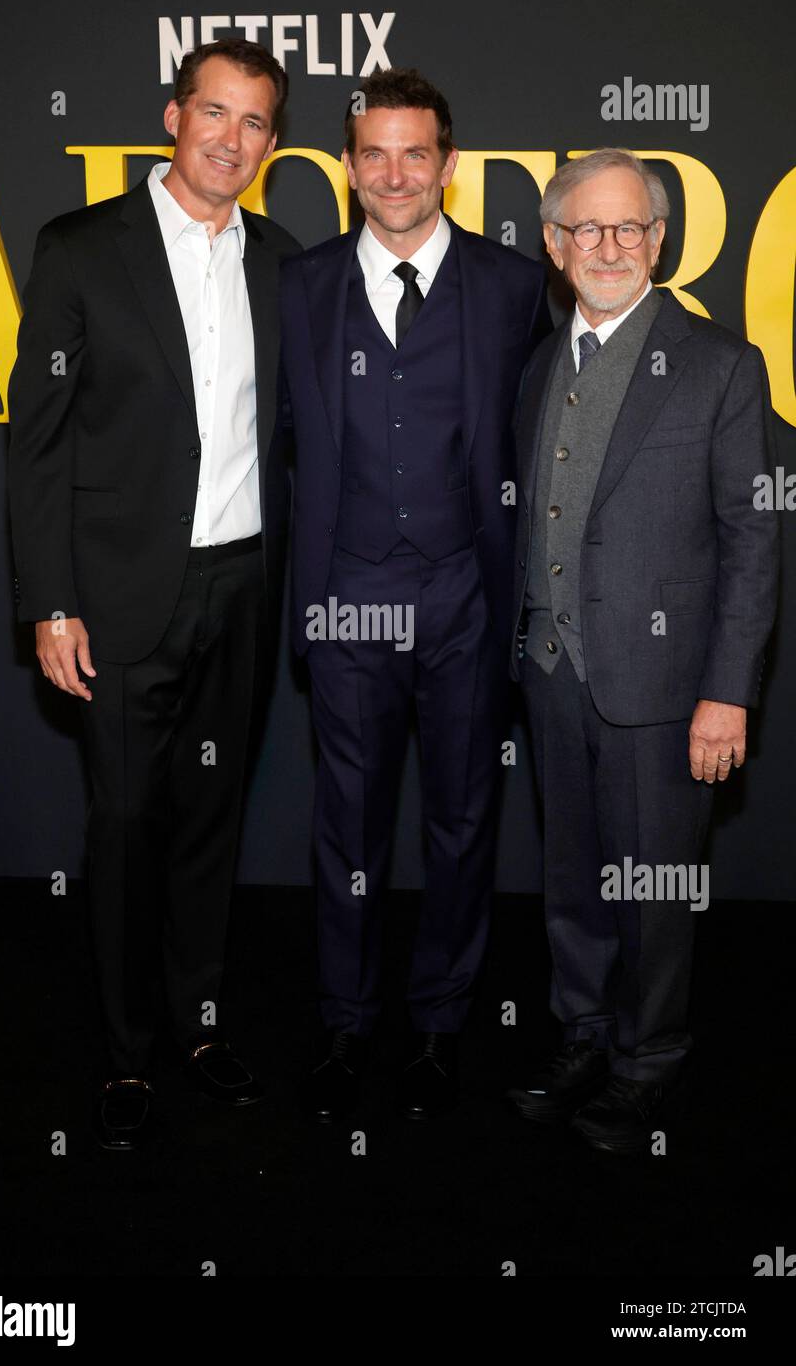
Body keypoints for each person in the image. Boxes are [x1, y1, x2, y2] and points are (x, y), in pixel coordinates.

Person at [7, 39, 300, 1150]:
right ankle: (126, 1056)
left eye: (256, 123)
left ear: (273, 143)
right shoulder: (81, 249)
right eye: (214, 113)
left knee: (210, 828)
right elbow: (35, 449)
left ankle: (199, 1025)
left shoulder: (279, 259)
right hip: (120, 599)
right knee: (126, 824)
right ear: (174, 116)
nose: (232, 139)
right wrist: (50, 601)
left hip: (241, 587)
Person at [279, 67, 551, 1123]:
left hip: (465, 599)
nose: (395, 173)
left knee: (460, 819)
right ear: (348, 167)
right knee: (345, 825)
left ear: (446, 163)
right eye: (373, 153)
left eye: (415, 152)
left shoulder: (512, 284)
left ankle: (439, 1023)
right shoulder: (298, 287)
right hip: (346, 597)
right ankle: (344, 1023)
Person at [506, 148, 779, 1153]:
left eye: (628, 229)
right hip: (549, 671)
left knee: (654, 885)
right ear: (552, 243)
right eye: (586, 228)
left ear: (658, 243)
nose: (607, 246)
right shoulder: (539, 363)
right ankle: (580, 1033)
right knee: (572, 879)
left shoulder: (718, 365)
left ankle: (645, 1060)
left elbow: (751, 540)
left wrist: (726, 693)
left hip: (665, 689)